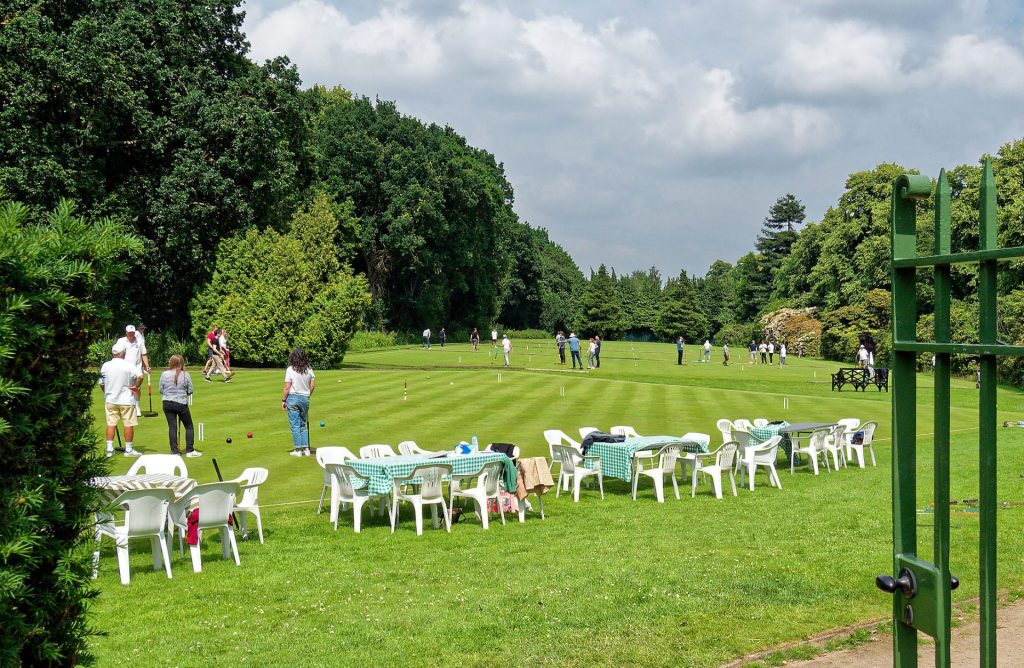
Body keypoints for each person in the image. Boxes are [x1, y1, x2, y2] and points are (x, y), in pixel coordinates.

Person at [99, 343, 142, 457]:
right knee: (128, 424)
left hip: (110, 399)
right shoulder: (128, 365)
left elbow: (101, 383)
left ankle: (109, 449)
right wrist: (136, 386)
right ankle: (128, 450)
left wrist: (106, 392)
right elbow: (140, 376)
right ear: (123, 353)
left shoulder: (105, 365)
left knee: (111, 424)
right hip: (126, 400)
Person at [159, 355, 201, 457]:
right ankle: (189, 451)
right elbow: (190, 390)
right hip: (181, 403)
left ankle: (175, 452)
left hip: (167, 403)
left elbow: (161, 390)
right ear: (181, 363)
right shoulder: (185, 375)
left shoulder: (164, 374)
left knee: (172, 427)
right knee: (189, 426)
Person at [282, 347, 315, 457]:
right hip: (305, 398)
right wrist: (307, 395)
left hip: (293, 398)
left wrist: (283, 400)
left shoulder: (290, 369)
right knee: (302, 424)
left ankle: (298, 450)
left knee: (295, 425)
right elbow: (312, 385)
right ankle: (306, 449)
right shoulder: (309, 369)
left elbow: (287, 387)